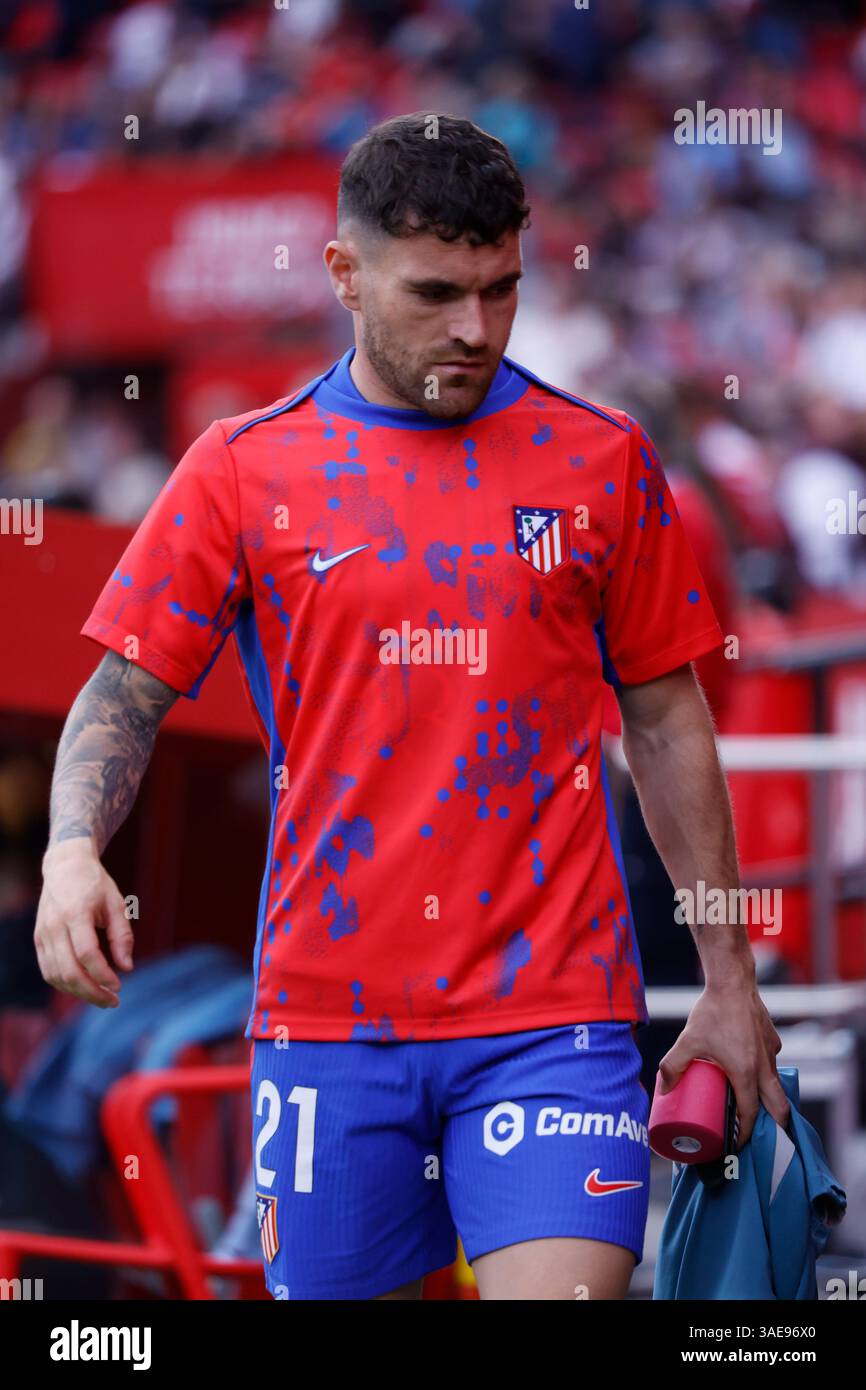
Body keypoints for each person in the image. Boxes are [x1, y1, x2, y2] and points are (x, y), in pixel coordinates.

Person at [35, 112, 789, 1301]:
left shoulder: (601, 459)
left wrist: (727, 982)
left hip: (556, 1023)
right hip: (327, 1030)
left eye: (501, 291)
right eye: (437, 291)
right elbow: (123, 688)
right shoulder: (241, 467)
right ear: (342, 271)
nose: (473, 330)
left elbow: (665, 722)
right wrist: (73, 850)